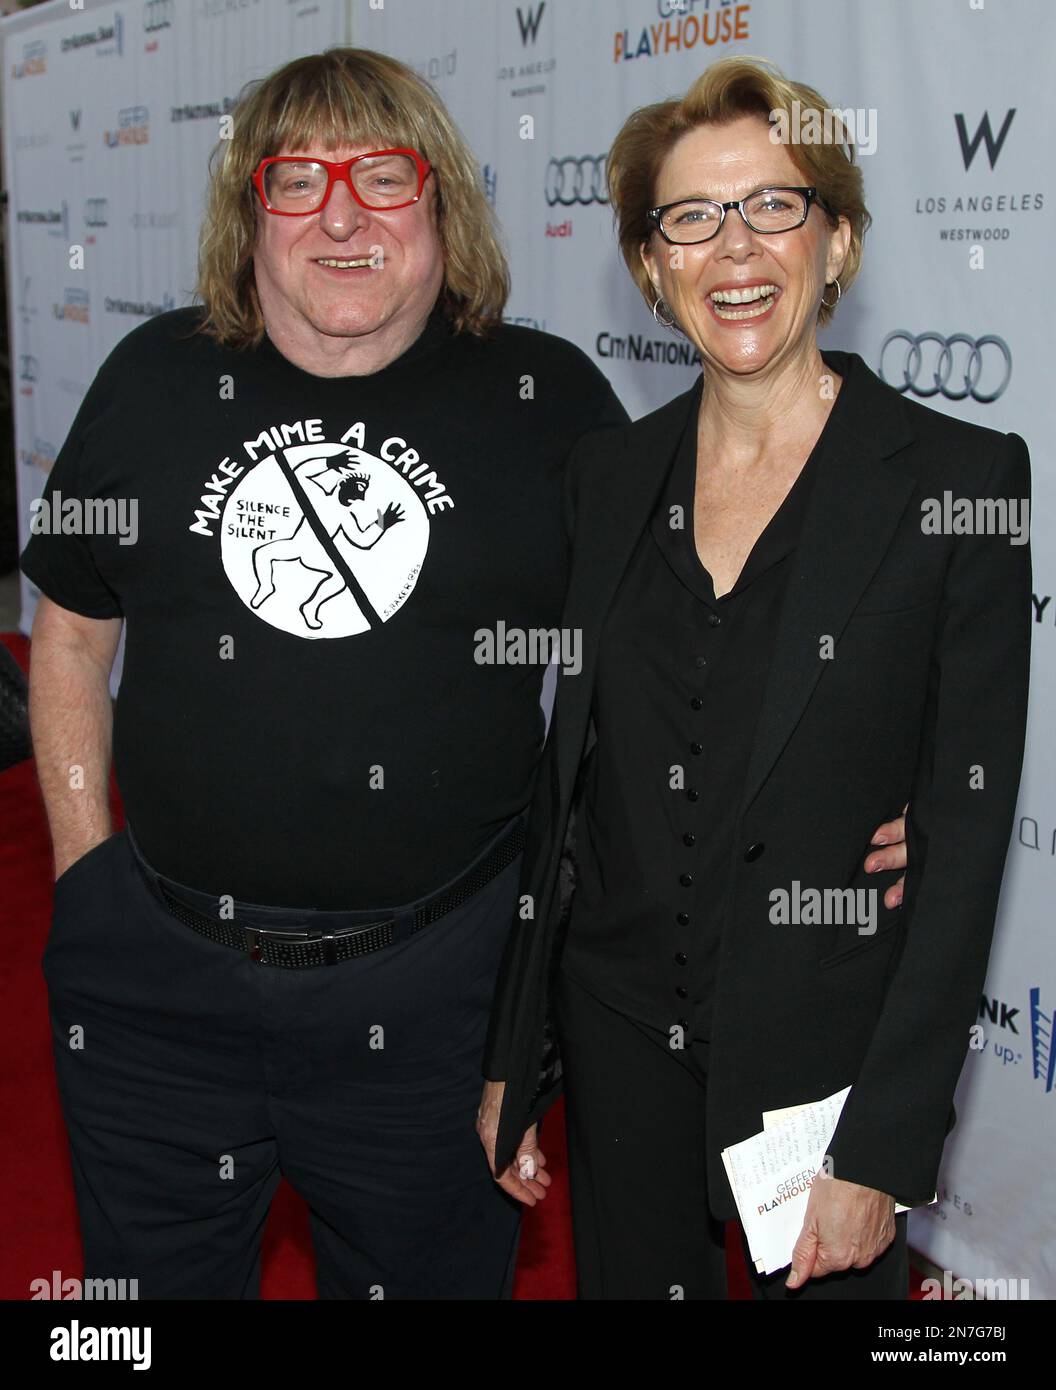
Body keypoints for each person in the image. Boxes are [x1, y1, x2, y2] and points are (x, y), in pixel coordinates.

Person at [20, 46, 636, 1300]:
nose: (341, 213)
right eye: (296, 179)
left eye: (383, 176)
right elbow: (73, 634)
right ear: (249, 211)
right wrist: (87, 876)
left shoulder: (548, 400)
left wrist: (829, 805)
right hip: (155, 983)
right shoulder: (155, 379)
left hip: (434, 1003)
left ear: (443, 206)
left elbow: (646, 678)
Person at [479, 57, 1030, 1301]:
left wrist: (886, 1144)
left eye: (775, 206)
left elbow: (966, 842)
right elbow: (564, 783)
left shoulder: (960, 480)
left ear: (836, 241)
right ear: (652, 264)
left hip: (827, 1059)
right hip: (619, 1032)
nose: (736, 247)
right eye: (692, 217)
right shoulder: (608, 477)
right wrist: (518, 1051)